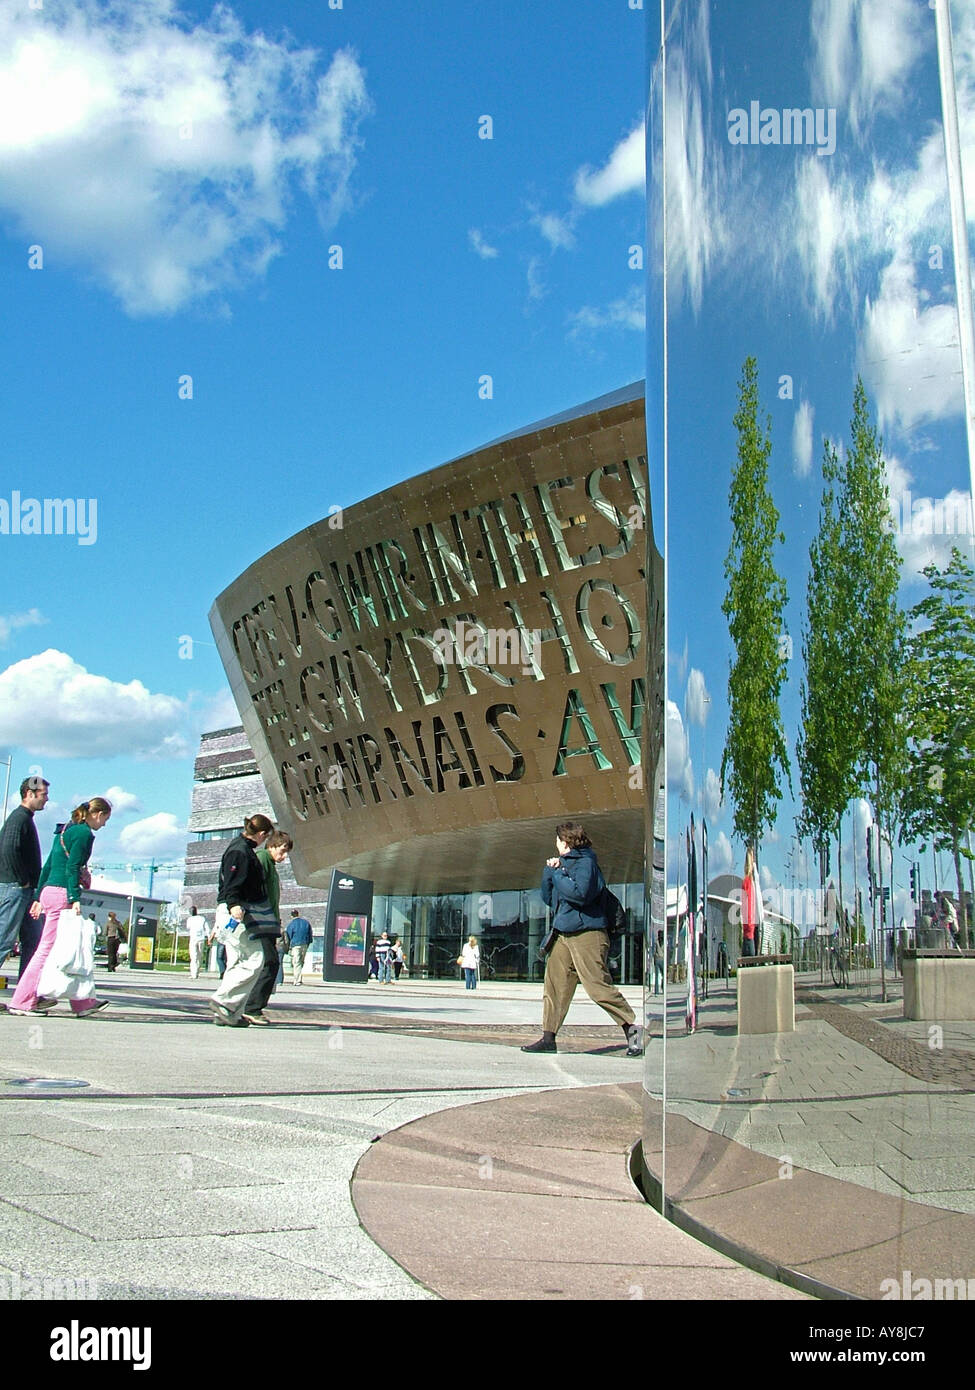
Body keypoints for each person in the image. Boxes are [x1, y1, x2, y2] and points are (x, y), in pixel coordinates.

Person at [522, 822, 642, 1057]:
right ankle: (548, 1037)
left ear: (565, 841)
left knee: (597, 986)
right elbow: (550, 899)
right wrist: (549, 873)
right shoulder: (563, 865)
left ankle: (634, 1031)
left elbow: (580, 894)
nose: (555, 844)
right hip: (563, 933)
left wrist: (558, 873)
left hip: (588, 933)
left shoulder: (586, 862)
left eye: (557, 840)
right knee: (554, 985)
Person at [9, 798, 112, 1017]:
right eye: (105, 819)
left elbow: (48, 865)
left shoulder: (65, 829)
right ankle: (23, 1000)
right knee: (49, 949)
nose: (104, 825)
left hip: (49, 891)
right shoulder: (84, 834)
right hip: (62, 893)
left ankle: (82, 1002)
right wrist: (75, 897)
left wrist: (38, 896)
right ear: (97, 814)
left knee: (67, 947)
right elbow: (73, 866)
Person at [208, 815, 275, 1028]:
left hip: (231, 909)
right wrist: (234, 904)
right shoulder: (241, 851)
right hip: (236, 911)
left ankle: (229, 1014)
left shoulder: (238, 848)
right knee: (255, 958)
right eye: (266, 838)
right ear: (262, 834)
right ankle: (224, 1001)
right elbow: (231, 882)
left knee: (237, 960)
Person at [0, 778, 50, 1000]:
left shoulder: (25, 819)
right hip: (15, 889)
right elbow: (9, 849)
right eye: (43, 794)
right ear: (30, 794)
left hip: (24, 891)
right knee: (3, 940)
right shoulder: (19, 819)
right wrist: (22, 881)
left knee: (34, 941)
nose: (46, 799)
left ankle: (26, 995)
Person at [243, 829, 293, 1024]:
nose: (285, 855)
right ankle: (252, 1007)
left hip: (268, 921)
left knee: (266, 964)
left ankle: (250, 1006)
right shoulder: (263, 858)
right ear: (271, 846)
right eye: (282, 850)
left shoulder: (270, 864)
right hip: (260, 920)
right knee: (269, 963)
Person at [740, 846, 761, 958]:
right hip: (751, 931)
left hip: (752, 929)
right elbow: (747, 907)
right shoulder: (749, 882)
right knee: (751, 960)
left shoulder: (751, 883)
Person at [287, 909, 313, 984]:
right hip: (304, 944)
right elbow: (310, 934)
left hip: (295, 945)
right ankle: (299, 977)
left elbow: (289, 936)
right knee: (301, 962)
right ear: (298, 914)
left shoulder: (291, 924)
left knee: (296, 962)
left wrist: (289, 946)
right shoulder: (306, 923)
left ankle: (297, 980)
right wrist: (308, 943)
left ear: (291, 916)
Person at [185, 906, 210, 979]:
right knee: (198, 957)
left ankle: (194, 973)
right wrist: (209, 937)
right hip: (200, 939)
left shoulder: (190, 919)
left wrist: (209, 938)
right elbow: (207, 928)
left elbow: (188, 927)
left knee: (194, 957)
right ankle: (195, 973)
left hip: (195, 939)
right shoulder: (202, 918)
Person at [651, 930, 665, 994]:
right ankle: (663, 988)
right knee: (664, 975)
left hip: (657, 959)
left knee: (656, 976)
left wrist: (654, 957)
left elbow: (654, 951)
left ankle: (656, 991)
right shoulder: (664, 942)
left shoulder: (656, 942)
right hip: (662, 959)